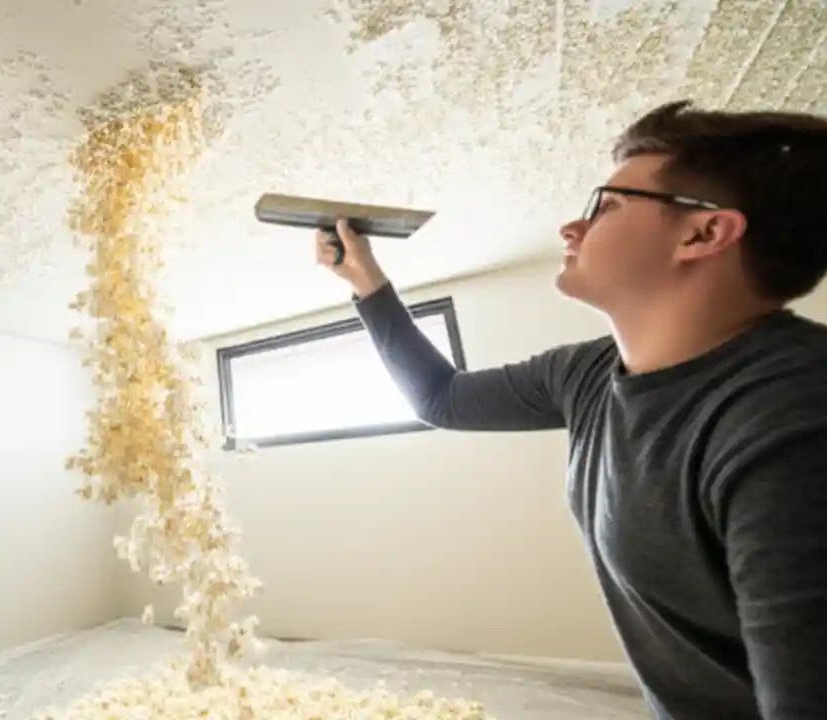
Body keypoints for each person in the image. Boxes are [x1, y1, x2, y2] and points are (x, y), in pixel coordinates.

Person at [315, 99, 827, 720]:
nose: (571, 228)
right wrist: (367, 282)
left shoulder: (794, 418)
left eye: (606, 207)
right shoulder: (586, 374)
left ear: (704, 233)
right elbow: (440, 398)